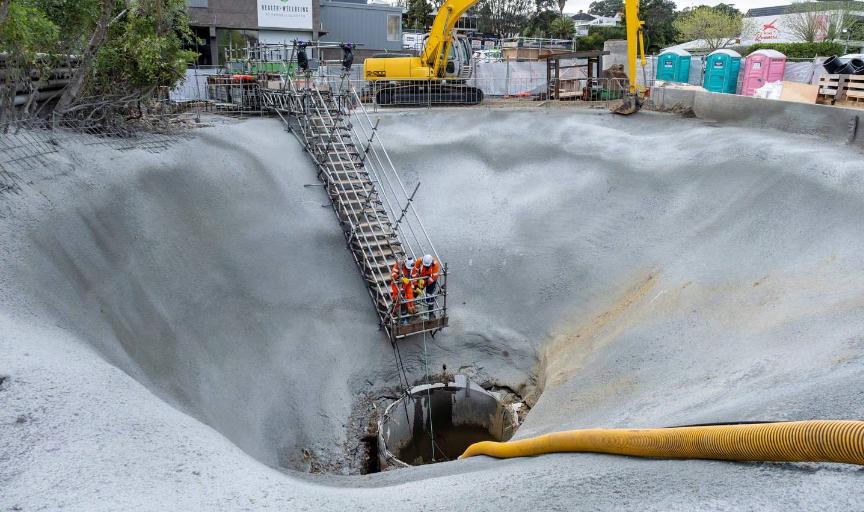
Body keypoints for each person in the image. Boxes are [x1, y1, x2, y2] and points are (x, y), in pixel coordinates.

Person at [390, 256, 416, 324]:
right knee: (398, 298)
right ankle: (395, 313)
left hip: (407, 283)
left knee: (410, 295)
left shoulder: (412, 266)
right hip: (397, 284)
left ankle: (411, 309)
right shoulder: (399, 265)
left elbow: (414, 275)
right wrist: (399, 277)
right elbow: (393, 274)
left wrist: (415, 282)